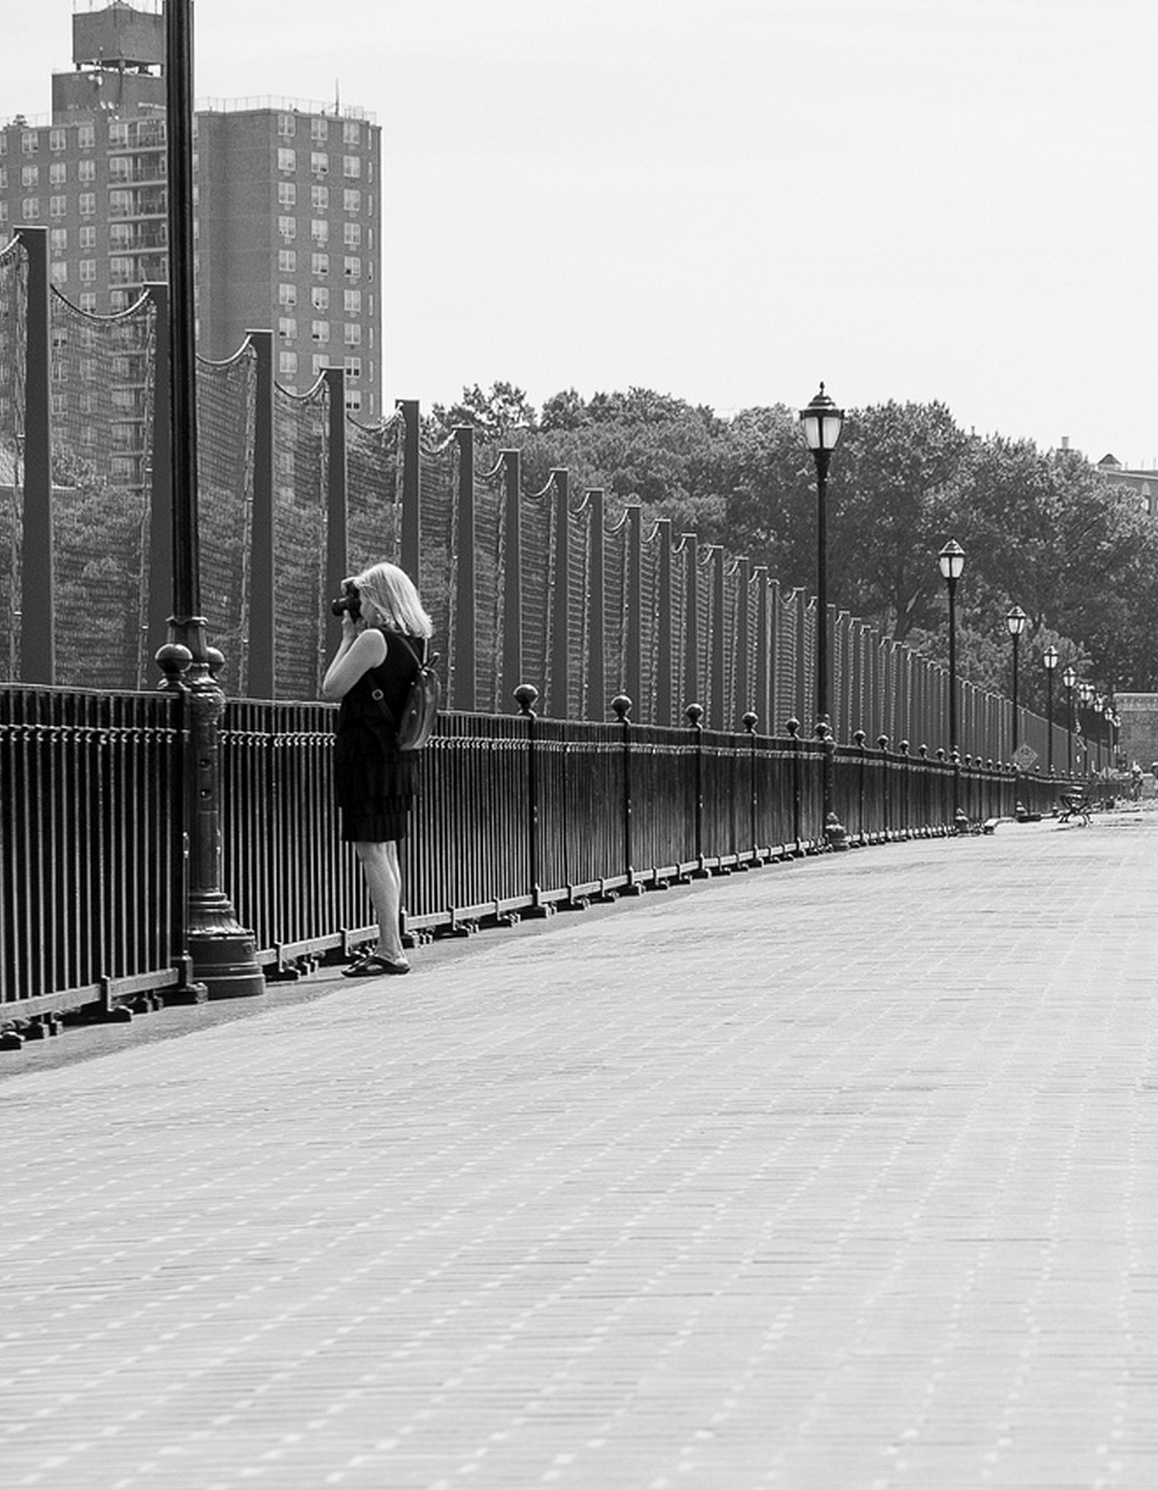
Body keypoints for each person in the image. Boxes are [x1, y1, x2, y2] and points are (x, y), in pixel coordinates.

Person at [322, 560, 434, 977]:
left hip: (367, 757)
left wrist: (346, 638)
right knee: (386, 850)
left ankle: (390, 948)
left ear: (378, 599)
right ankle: (393, 940)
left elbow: (331, 687)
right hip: (397, 756)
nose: (357, 605)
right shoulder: (414, 640)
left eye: (362, 598)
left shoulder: (372, 639)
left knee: (371, 851)